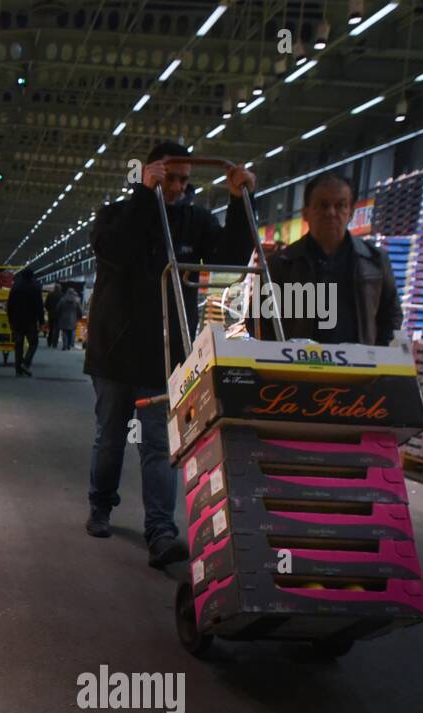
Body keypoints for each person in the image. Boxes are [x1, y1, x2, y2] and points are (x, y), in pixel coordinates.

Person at [82, 141, 256, 567]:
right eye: (170, 177)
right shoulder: (117, 215)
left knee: (159, 445)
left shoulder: (194, 221)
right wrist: (145, 195)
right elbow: (115, 250)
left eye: (183, 179)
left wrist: (239, 202)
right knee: (110, 438)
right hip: (114, 353)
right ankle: (101, 506)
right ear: (149, 172)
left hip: (165, 357)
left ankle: (161, 531)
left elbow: (230, 258)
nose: (177, 187)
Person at [260, 172, 401, 345]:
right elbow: (259, 321)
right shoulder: (280, 264)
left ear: (351, 212)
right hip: (298, 368)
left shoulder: (375, 261)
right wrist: (280, 357)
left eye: (340, 205)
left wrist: (377, 357)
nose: (331, 213)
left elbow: (391, 316)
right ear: (306, 213)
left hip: (359, 368)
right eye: (323, 205)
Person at [6, 266, 43, 377]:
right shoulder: (35, 287)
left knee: (18, 345)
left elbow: (10, 304)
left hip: (17, 321)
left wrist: (10, 319)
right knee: (33, 343)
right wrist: (41, 320)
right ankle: (25, 363)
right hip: (30, 321)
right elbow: (39, 305)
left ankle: (18, 370)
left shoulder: (16, 286)